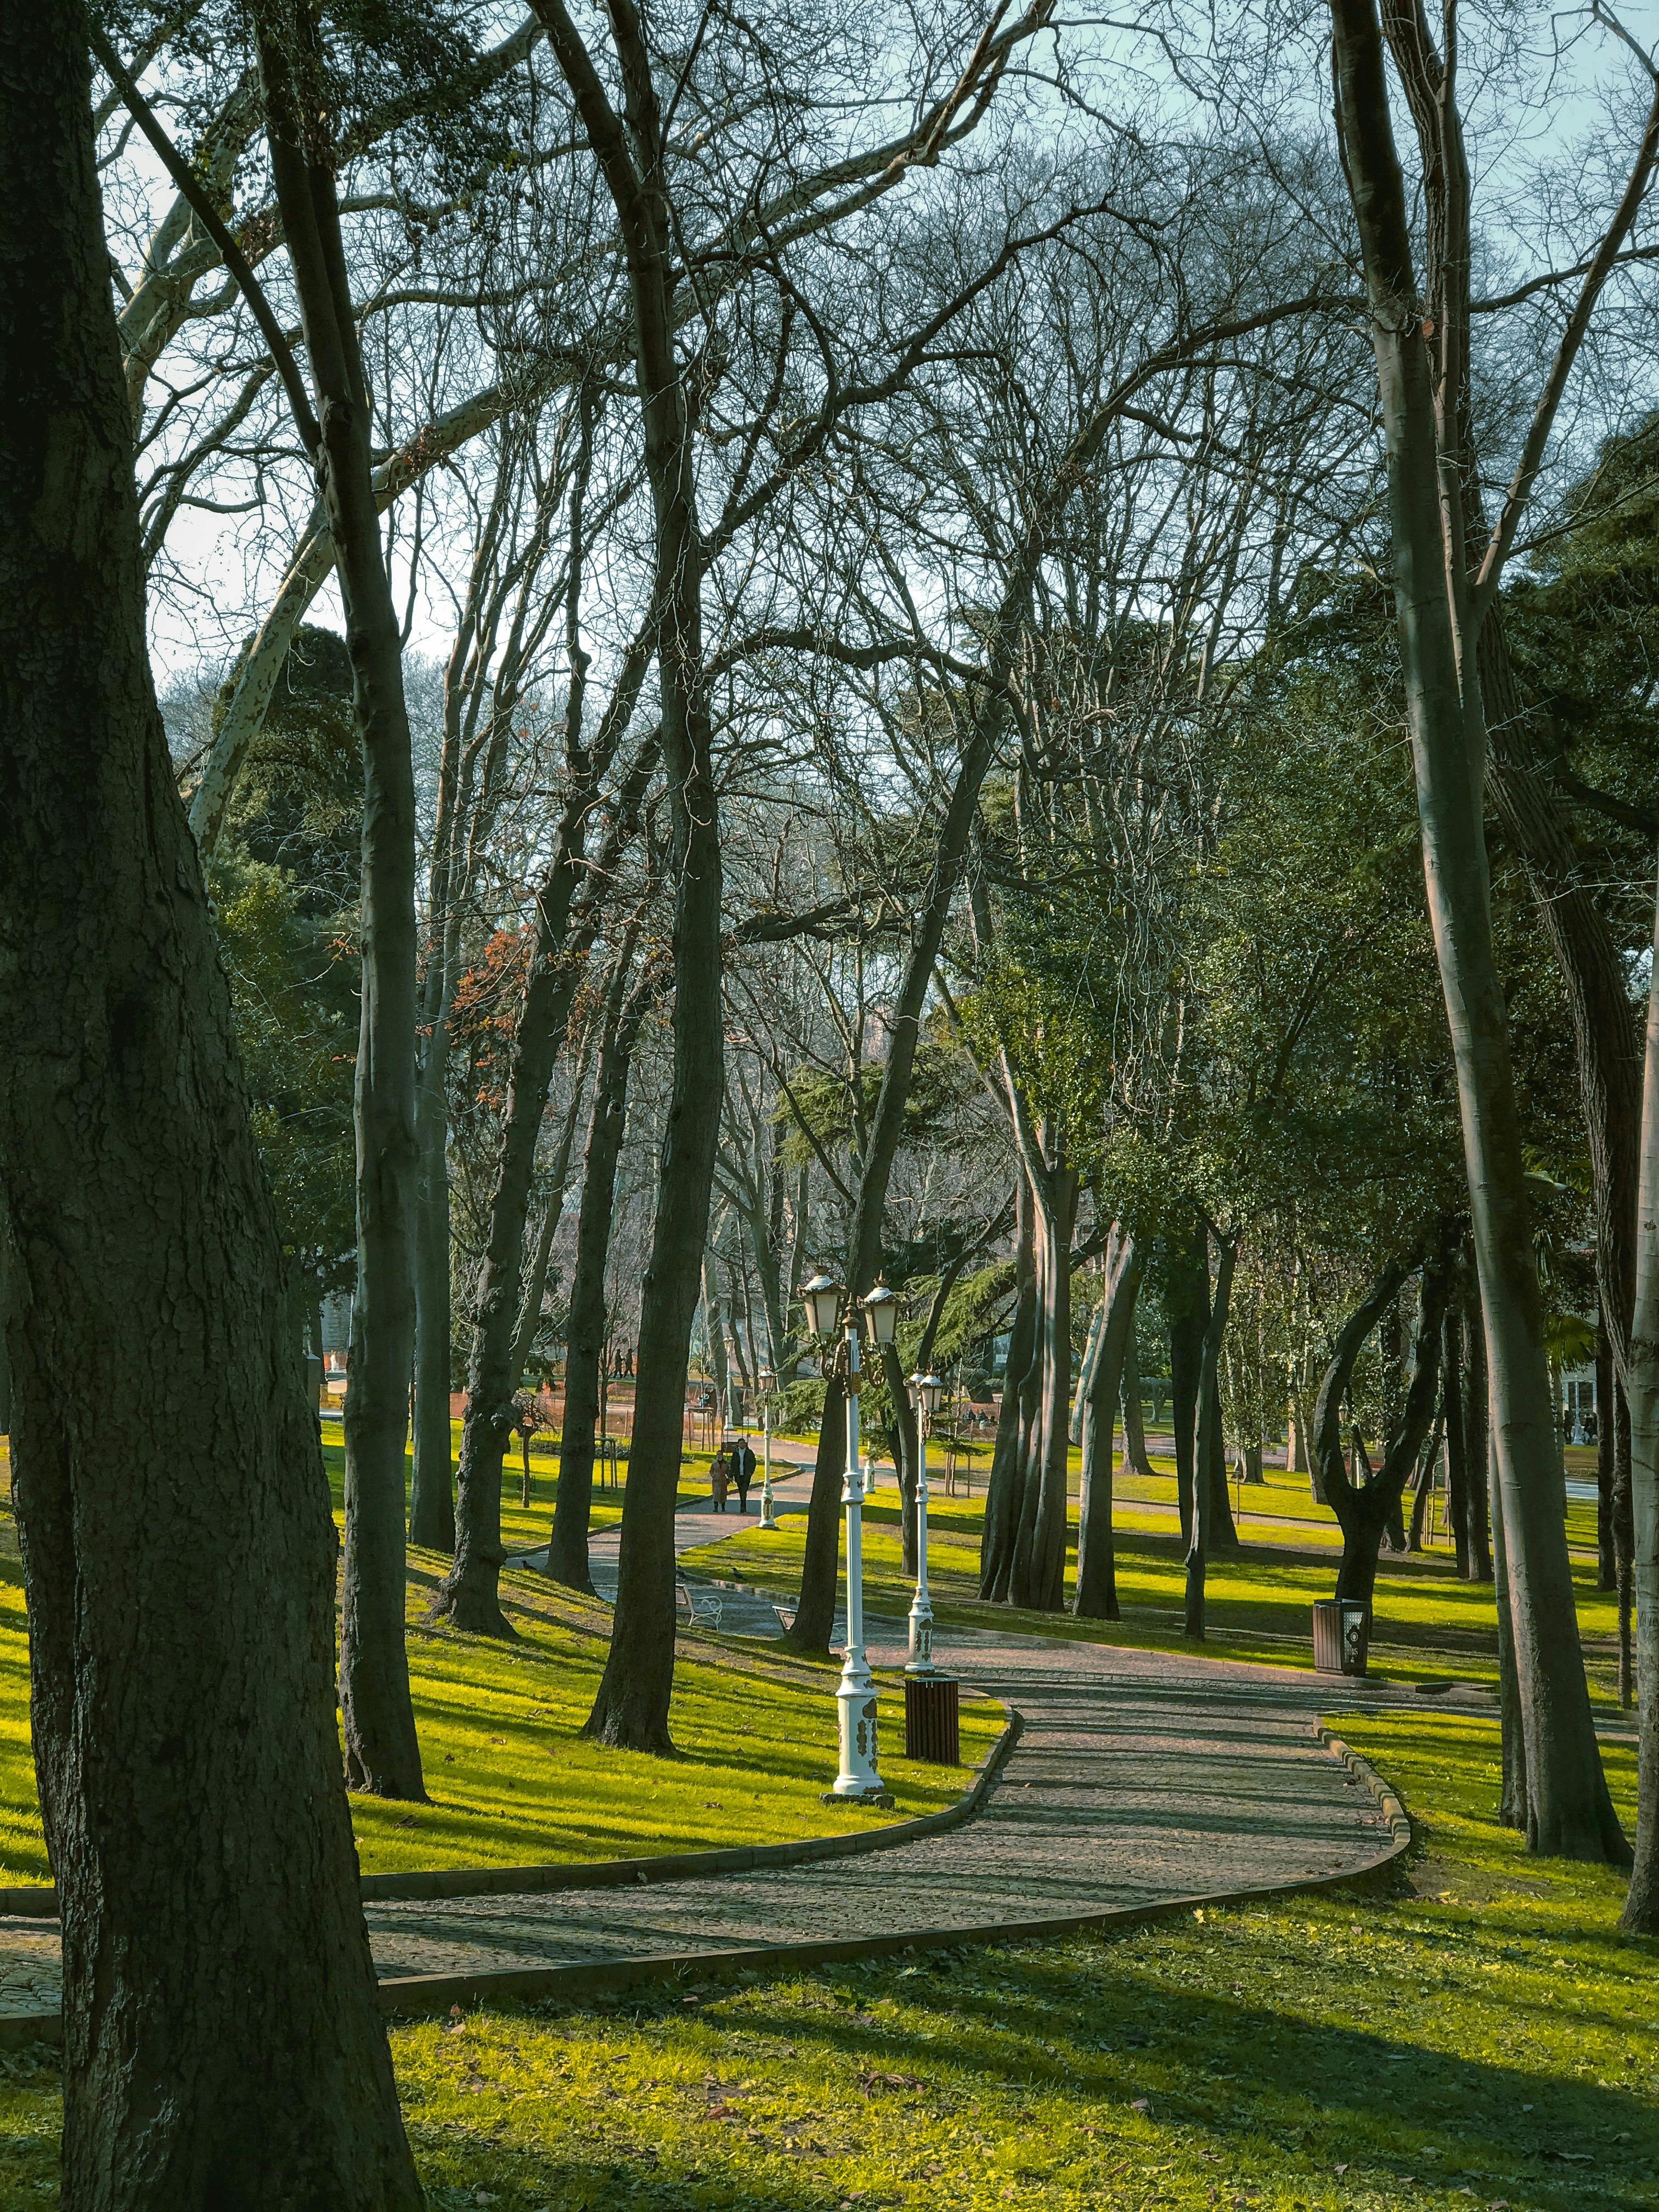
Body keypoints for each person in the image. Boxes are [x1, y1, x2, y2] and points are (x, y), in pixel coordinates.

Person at [733, 1431, 758, 1514]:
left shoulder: (749, 1453)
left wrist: (751, 1472)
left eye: (744, 1443)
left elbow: (754, 1463)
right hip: (739, 1475)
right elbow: (733, 1464)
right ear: (738, 1444)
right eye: (741, 1443)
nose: (742, 1445)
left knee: (744, 1490)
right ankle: (743, 1505)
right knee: (741, 1490)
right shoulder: (736, 1453)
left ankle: (743, 1506)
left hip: (746, 1475)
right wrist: (731, 1475)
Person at [710, 1447, 730, 1514]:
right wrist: (714, 1476)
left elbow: (728, 1472)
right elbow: (711, 1471)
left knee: (723, 1494)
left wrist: (729, 1478)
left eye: (720, 1454)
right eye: (718, 1455)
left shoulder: (725, 1463)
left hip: (723, 1480)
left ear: (722, 1455)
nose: (719, 1456)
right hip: (716, 1480)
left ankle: (723, 1508)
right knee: (716, 1494)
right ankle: (715, 1508)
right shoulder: (714, 1463)